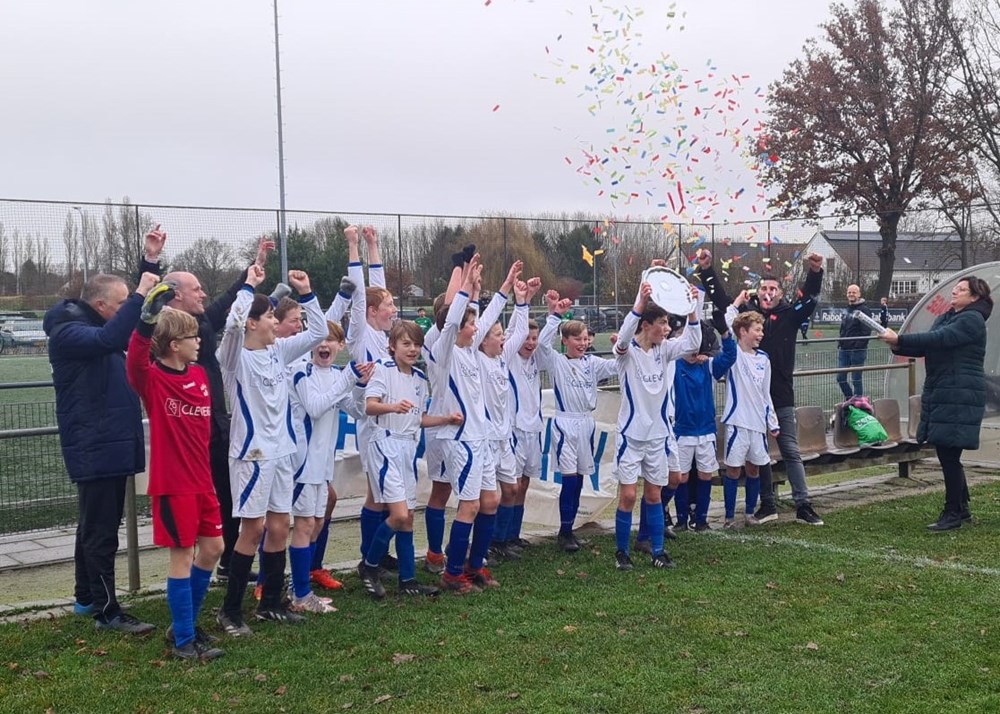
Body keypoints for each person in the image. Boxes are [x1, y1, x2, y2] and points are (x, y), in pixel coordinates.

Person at [140, 232, 275, 583]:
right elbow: (140, 324)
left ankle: (229, 562)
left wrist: (253, 271)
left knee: (227, 498)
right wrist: (150, 263)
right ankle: (193, 586)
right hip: (183, 450)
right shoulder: (161, 345)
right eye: (197, 289)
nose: (203, 294)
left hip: (217, 423)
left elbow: (226, 303)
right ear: (176, 296)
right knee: (187, 537)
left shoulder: (201, 326)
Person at [44, 268, 160, 634]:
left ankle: (86, 598)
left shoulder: (91, 327)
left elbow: (115, 332)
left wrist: (150, 265)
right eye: (123, 302)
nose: (129, 307)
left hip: (109, 444)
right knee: (101, 532)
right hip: (94, 446)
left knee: (94, 527)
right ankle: (107, 612)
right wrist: (141, 294)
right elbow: (112, 336)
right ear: (100, 305)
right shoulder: (69, 332)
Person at [216, 266, 328, 636]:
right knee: (254, 528)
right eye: (267, 316)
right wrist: (249, 285)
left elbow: (319, 332)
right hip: (253, 456)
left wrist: (308, 293)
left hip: (283, 454)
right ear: (252, 323)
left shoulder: (278, 351)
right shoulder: (234, 357)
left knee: (280, 526)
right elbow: (232, 323)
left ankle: (270, 604)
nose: (274, 322)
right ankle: (230, 611)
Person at [696, 249, 825, 526]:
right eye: (764, 288)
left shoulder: (789, 315)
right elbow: (721, 300)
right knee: (759, 455)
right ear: (757, 292)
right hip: (747, 405)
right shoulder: (746, 316)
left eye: (773, 289)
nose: (768, 292)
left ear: (780, 293)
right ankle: (767, 505)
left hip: (780, 395)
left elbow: (810, 300)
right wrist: (707, 271)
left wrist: (815, 273)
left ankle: (803, 504)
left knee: (789, 449)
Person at [126, 300, 225, 660]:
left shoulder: (199, 375)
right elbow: (135, 361)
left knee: (214, 549)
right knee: (182, 556)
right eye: (191, 337)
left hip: (203, 482)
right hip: (174, 485)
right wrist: (146, 321)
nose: (198, 342)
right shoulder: (152, 379)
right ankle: (184, 640)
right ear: (173, 345)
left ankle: (183, 623)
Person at [880, 276, 993, 531]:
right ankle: (960, 508)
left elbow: (940, 339)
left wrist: (900, 339)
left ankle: (953, 512)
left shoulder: (971, 320)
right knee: (948, 452)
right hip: (946, 390)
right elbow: (932, 343)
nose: (954, 292)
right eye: (955, 288)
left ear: (974, 297)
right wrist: (898, 345)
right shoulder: (951, 316)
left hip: (959, 392)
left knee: (949, 453)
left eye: (961, 290)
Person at [358, 321, 461, 598]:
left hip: (407, 449)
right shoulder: (382, 368)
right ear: (393, 346)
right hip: (385, 444)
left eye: (416, 344)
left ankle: (408, 580)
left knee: (408, 518)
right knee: (399, 514)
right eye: (406, 343)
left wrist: (446, 419)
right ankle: (369, 565)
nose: (413, 349)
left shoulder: (418, 378)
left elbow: (419, 420)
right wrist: (392, 406)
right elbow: (369, 406)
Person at [611, 280, 701, 571]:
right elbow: (623, 339)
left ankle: (658, 551)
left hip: (657, 437)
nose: (666, 328)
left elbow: (692, 343)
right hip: (631, 436)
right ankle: (621, 553)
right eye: (662, 323)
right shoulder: (627, 354)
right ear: (647, 325)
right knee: (627, 496)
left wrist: (693, 309)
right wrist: (638, 303)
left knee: (653, 495)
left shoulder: (665, 350)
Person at [288, 322, 372, 613]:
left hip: (324, 464)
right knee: (305, 524)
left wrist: (359, 385)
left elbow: (358, 410)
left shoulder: (337, 375)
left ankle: (300, 586)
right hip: (304, 462)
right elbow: (315, 407)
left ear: (340, 346)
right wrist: (349, 378)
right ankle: (299, 594)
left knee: (318, 521)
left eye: (331, 340)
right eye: (319, 340)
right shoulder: (301, 372)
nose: (324, 346)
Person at [538, 290, 619, 553]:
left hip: (586, 423)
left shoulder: (592, 363)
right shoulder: (558, 362)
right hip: (565, 424)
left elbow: (617, 366)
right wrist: (555, 316)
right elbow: (541, 345)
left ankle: (570, 529)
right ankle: (564, 531)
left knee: (581, 478)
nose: (582, 343)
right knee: (569, 480)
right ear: (565, 341)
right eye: (577, 339)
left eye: (585, 339)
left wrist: (622, 346)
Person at [483, 275, 538, 560]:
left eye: (502, 334)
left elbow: (518, 334)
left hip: (505, 438)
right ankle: (486, 543)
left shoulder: (502, 358)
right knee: (487, 497)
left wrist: (521, 302)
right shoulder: (476, 360)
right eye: (497, 334)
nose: (504, 338)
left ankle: (502, 540)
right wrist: (502, 292)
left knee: (512, 488)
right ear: (483, 340)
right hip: (485, 438)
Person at [672, 311, 737, 532]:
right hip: (682, 430)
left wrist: (725, 334)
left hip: (706, 430)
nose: (691, 350)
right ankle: (681, 519)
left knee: (704, 474)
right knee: (680, 477)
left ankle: (701, 519)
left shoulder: (707, 365)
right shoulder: (672, 366)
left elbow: (729, 357)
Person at [721, 304, 779, 528]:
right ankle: (728, 517)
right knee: (734, 469)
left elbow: (766, 394)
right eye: (757, 329)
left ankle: (749, 513)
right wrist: (735, 304)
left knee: (754, 468)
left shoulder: (764, 359)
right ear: (743, 332)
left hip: (758, 425)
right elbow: (728, 319)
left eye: (762, 330)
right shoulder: (733, 354)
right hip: (737, 422)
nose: (761, 334)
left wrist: (771, 421)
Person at [836, 284, 881, 399]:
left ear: (859, 294)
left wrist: (857, 346)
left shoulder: (864, 310)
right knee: (840, 378)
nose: (851, 294)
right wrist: (840, 343)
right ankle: (851, 399)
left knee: (856, 379)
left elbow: (866, 331)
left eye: (854, 292)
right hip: (844, 350)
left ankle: (859, 404)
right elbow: (843, 328)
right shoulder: (847, 309)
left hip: (857, 351)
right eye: (849, 292)